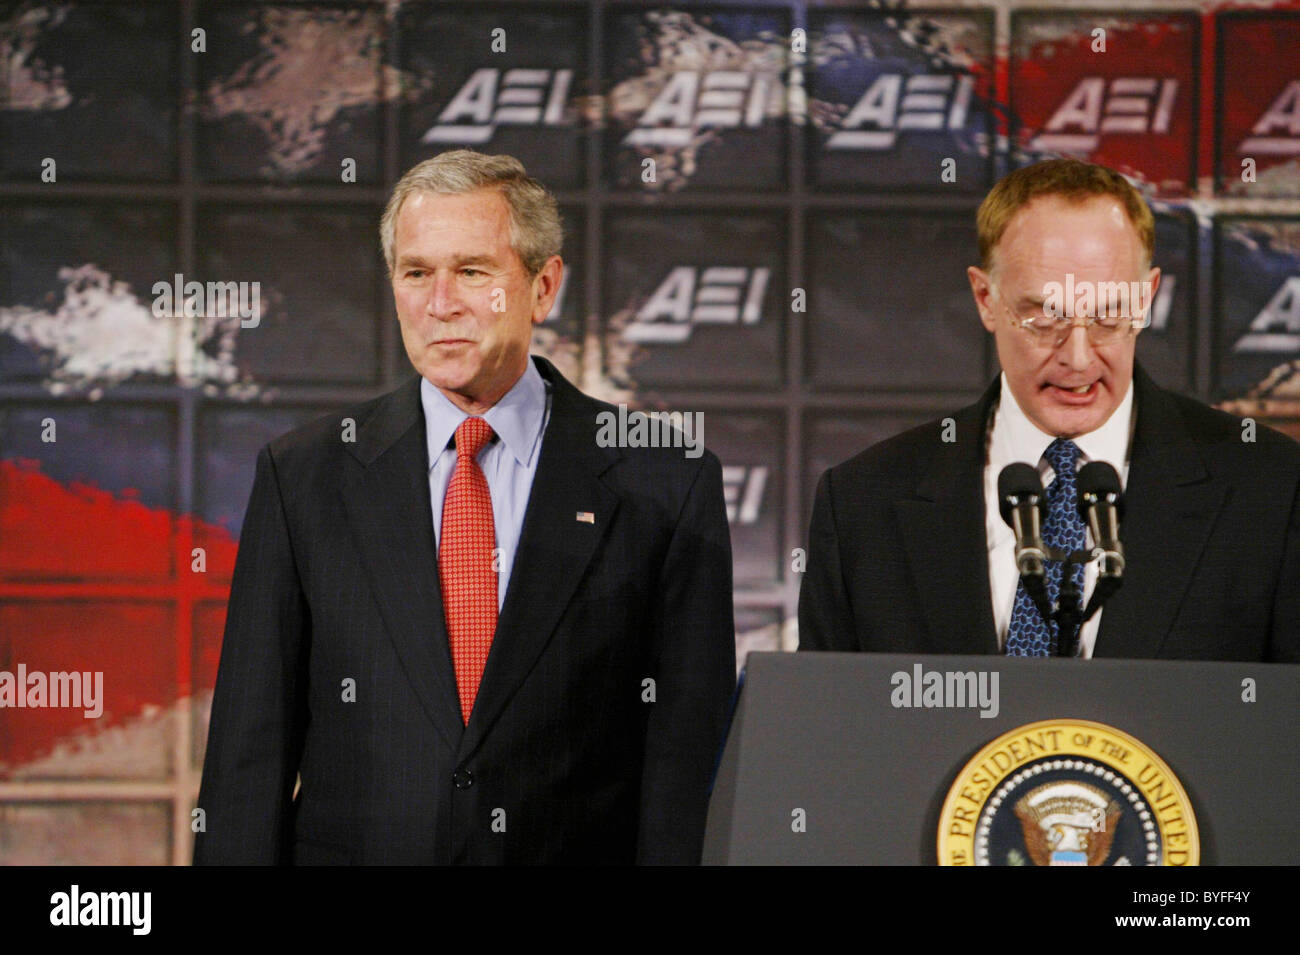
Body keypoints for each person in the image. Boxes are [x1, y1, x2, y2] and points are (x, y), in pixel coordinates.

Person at [194, 150, 735, 865]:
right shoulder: (304, 478)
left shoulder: (665, 479)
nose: (440, 302)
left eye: (473, 272)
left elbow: (685, 769)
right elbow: (247, 760)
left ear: (543, 287)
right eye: (417, 272)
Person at [799, 158, 1300, 662]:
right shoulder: (864, 505)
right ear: (985, 298)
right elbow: (829, 726)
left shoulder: (1271, 492)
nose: (1077, 357)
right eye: (1043, 317)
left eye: (1108, 313)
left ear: (1145, 299)